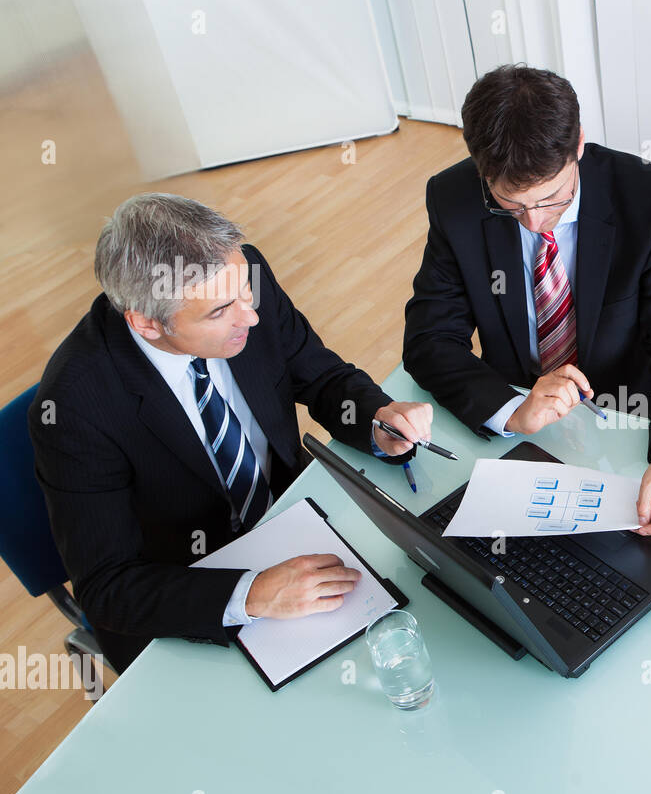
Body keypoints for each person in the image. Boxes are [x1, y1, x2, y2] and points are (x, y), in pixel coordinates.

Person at [30, 193, 436, 671]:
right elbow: (109, 587)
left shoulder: (240, 277)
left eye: (246, 292)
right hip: (191, 586)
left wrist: (375, 419)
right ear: (146, 324)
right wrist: (252, 593)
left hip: (295, 514)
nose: (252, 315)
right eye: (221, 310)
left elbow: (320, 375)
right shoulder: (77, 406)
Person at [402, 64, 651, 534]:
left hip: (630, 421)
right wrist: (512, 410)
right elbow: (430, 339)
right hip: (522, 425)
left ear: (579, 147)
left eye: (551, 198)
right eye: (510, 204)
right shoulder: (453, 198)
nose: (533, 222)